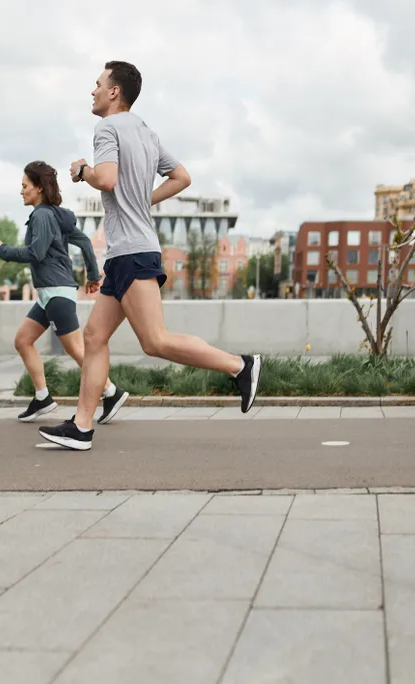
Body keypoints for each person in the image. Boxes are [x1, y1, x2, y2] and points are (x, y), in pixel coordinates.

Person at [38, 61, 261, 451]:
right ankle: (82, 426)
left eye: (97, 84)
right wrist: (144, 200)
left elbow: (105, 178)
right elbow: (182, 178)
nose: (92, 90)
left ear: (114, 92)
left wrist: (81, 170)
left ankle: (240, 366)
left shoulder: (107, 128)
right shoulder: (146, 132)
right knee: (94, 336)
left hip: (133, 252)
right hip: (130, 251)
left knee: (155, 341)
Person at [0, 161, 129, 423]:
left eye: (24, 186)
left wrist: (2, 250)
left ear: (39, 188)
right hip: (49, 294)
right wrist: (93, 275)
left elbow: (35, 253)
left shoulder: (42, 216)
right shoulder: (55, 215)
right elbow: (85, 242)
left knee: (78, 350)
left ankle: (111, 392)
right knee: (23, 340)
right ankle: (43, 396)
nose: (21, 191)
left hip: (56, 292)